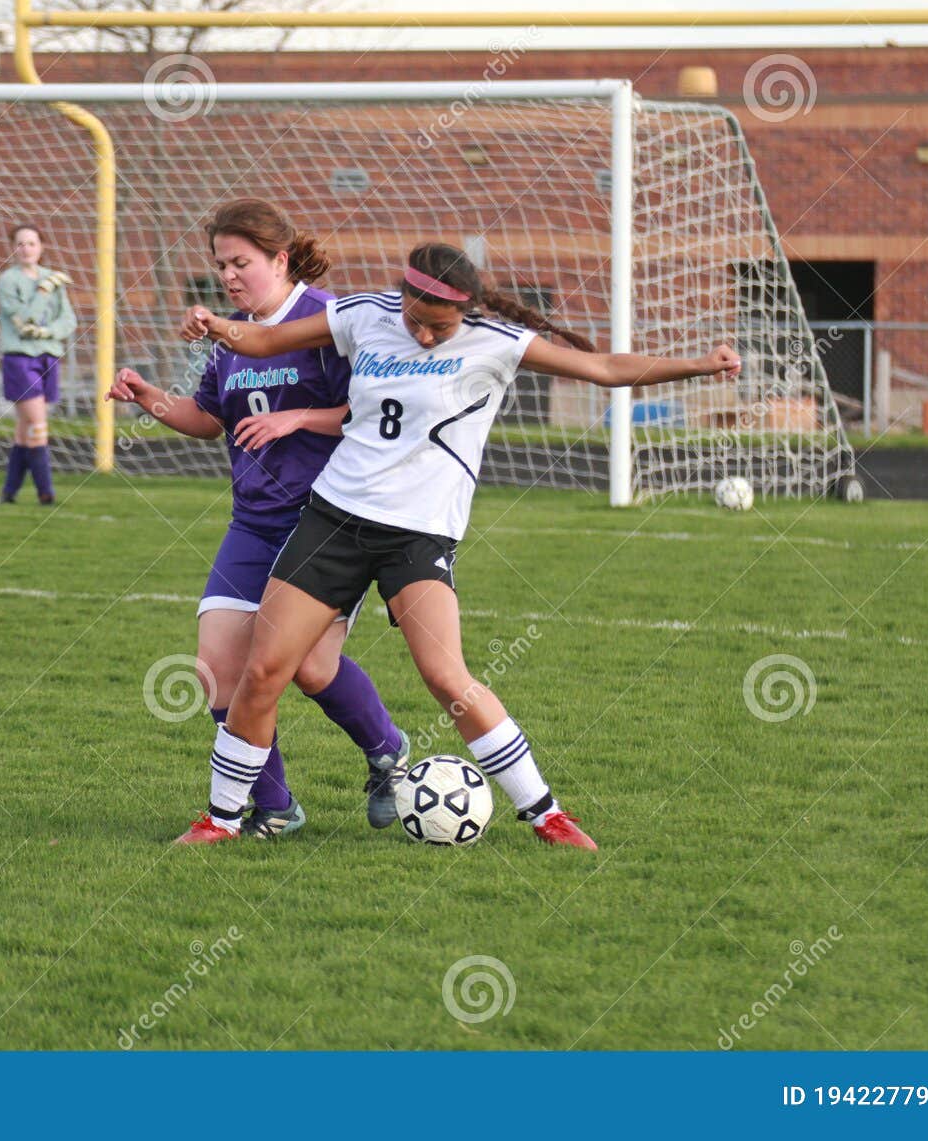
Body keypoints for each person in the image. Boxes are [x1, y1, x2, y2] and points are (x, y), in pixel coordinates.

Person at [172, 241, 742, 849]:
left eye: (439, 327)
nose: (422, 336)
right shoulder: (365, 314)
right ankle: (222, 820)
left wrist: (701, 365)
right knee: (263, 670)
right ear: (402, 297)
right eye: (415, 320)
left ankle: (548, 816)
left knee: (447, 676)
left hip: (417, 536)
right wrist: (215, 325)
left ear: (464, 313)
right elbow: (260, 342)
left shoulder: (496, 343)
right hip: (332, 519)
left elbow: (605, 370)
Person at [107, 198, 409, 839]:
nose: (229, 276)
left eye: (241, 262)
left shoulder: (330, 321)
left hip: (326, 520)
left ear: (279, 258)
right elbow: (207, 418)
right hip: (253, 522)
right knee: (215, 669)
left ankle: (387, 751)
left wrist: (298, 417)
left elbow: (381, 413)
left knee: (307, 669)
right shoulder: (230, 335)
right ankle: (275, 808)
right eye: (220, 265)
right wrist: (148, 398)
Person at [0, 224, 76, 504]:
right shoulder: (8, 281)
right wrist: (42, 291)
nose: (26, 249)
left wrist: (47, 332)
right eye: (20, 244)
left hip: (48, 356)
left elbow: (68, 321)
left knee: (24, 428)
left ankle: (9, 493)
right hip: (20, 359)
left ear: (41, 247)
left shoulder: (53, 278)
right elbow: (25, 320)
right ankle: (46, 492)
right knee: (38, 425)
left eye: (31, 243)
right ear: (13, 249)